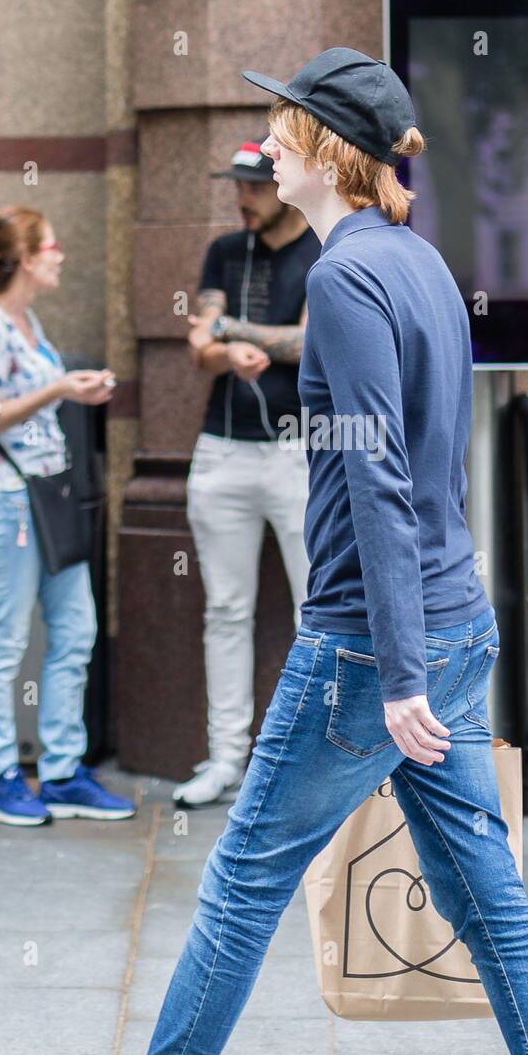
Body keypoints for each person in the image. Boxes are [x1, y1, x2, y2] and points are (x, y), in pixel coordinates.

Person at [129, 49, 528, 1055]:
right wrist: (430, 642)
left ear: (328, 151)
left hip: (367, 646)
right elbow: (438, 457)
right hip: (450, 616)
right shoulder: (419, 260)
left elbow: (378, 477)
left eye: (284, 123)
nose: (267, 140)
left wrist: (398, 673)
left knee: (243, 885)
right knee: (490, 903)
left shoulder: (342, 276)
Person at [0, 206, 136, 827]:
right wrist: (59, 389)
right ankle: (1, 777)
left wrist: (74, 387)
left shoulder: (28, 323)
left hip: (45, 498)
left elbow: (27, 403)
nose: (60, 255)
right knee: (4, 639)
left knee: (76, 629)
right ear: (26, 258)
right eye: (51, 246)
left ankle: (60, 771)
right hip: (5, 498)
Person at [176, 138, 320, 807]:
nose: (244, 199)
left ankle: (308, 765)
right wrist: (225, 352)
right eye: (238, 187)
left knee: (313, 611)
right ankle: (224, 757)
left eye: (256, 187)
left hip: (296, 451)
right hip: (222, 449)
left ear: (283, 187)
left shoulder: (322, 249)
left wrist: (233, 330)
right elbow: (197, 346)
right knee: (225, 610)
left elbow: (309, 341)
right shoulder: (223, 251)